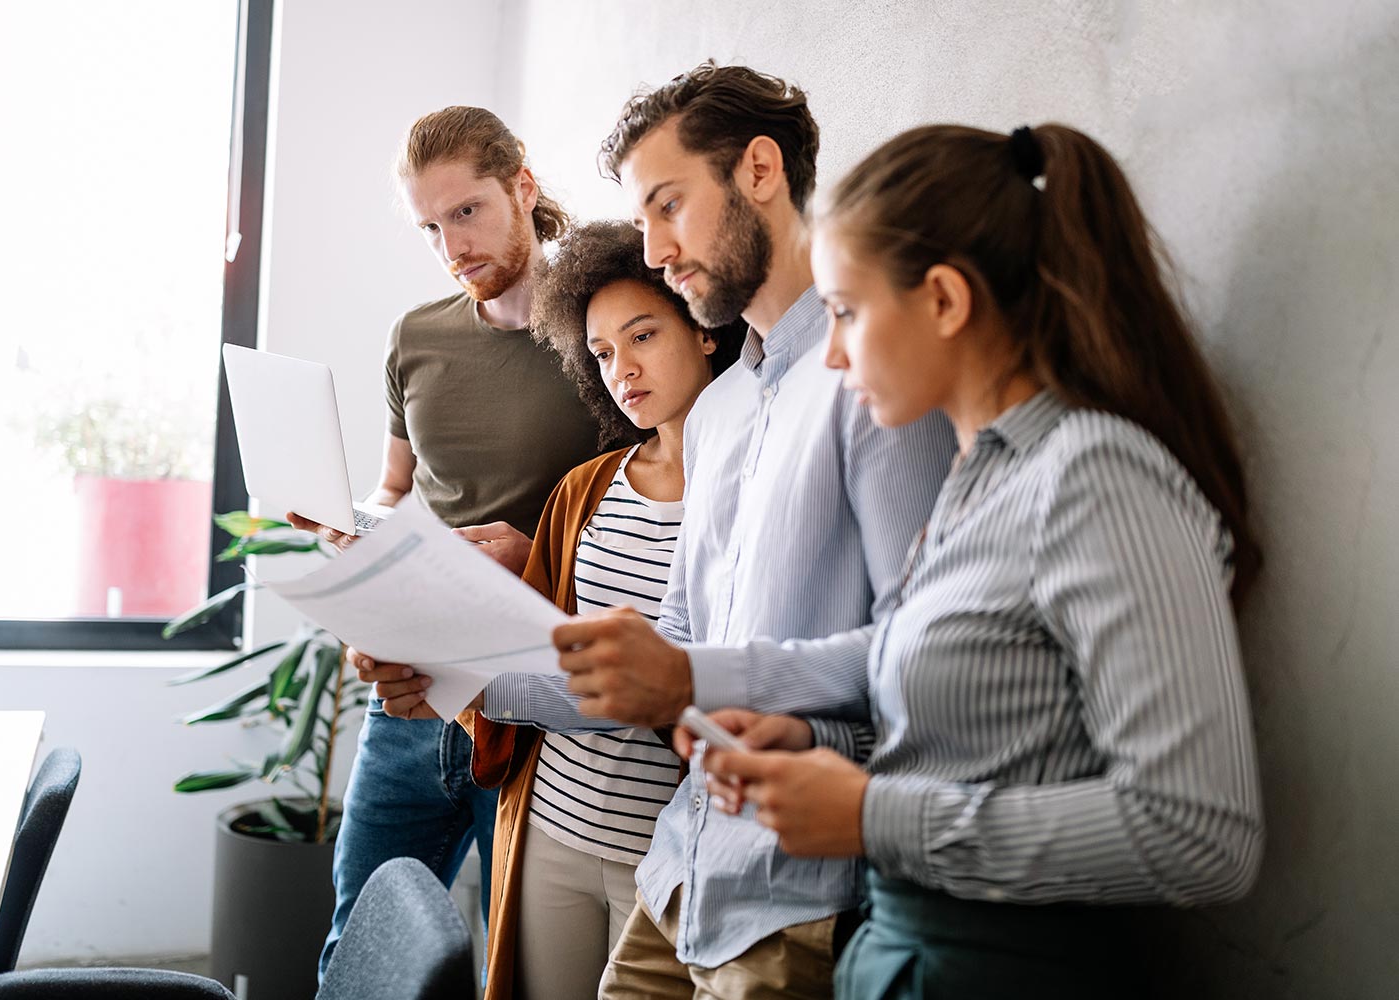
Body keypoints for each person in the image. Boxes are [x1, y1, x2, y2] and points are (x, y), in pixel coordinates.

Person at [678, 124, 1264, 998]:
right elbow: (962, 729)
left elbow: (1201, 834)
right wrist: (810, 740)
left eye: (846, 313)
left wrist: (871, 813)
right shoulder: (973, 482)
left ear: (946, 300)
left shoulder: (1092, 477)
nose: (831, 354)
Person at [538, 63, 955, 998]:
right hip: (679, 872)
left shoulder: (875, 384)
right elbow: (682, 639)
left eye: (668, 206)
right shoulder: (718, 412)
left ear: (760, 170)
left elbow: (927, 654)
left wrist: (775, 719)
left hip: (796, 898)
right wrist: (467, 669)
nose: (654, 250)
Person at [298, 107, 604, 978]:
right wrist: (348, 528)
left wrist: (535, 556)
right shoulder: (417, 336)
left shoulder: (601, 338)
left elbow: (643, 515)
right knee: (358, 943)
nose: (452, 248)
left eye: (466, 212)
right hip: (412, 691)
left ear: (523, 187)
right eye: (430, 228)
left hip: (536, 707)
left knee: (515, 963)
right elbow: (397, 491)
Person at [472, 219, 742, 999]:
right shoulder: (584, 490)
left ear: (705, 329)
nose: (623, 368)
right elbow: (536, 656)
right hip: (550, 830)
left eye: (643, 336)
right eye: (601, 353)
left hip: (664, 852)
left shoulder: (746, 496)